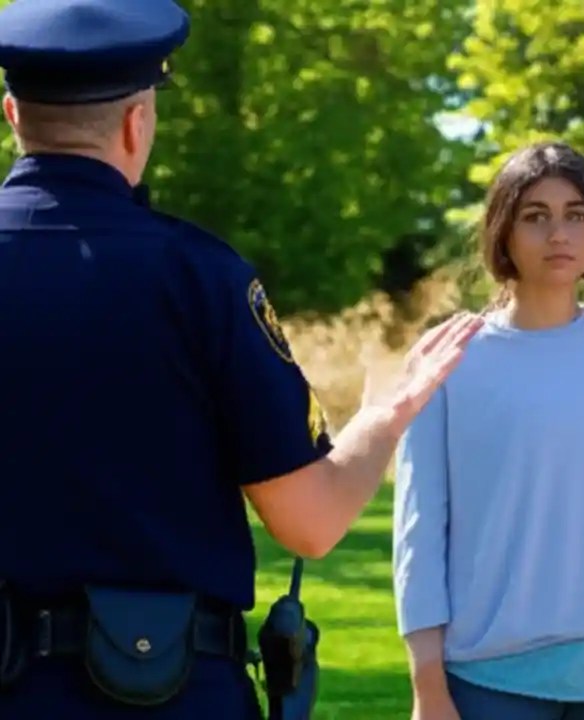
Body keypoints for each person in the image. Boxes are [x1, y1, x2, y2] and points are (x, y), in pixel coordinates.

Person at [0, 1, 481, 718]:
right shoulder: (202, 278)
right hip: (167, 694)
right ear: (138, 122)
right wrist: (388, 413)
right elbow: (310, 521)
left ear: (14, 116)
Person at [392, 141, 584, 720]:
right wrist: (427, 684)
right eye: (535, 216)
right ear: (503, 233)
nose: (558, 233)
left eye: (575, 215)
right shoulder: (449, 361)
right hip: (492, 676)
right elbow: (419, 531)